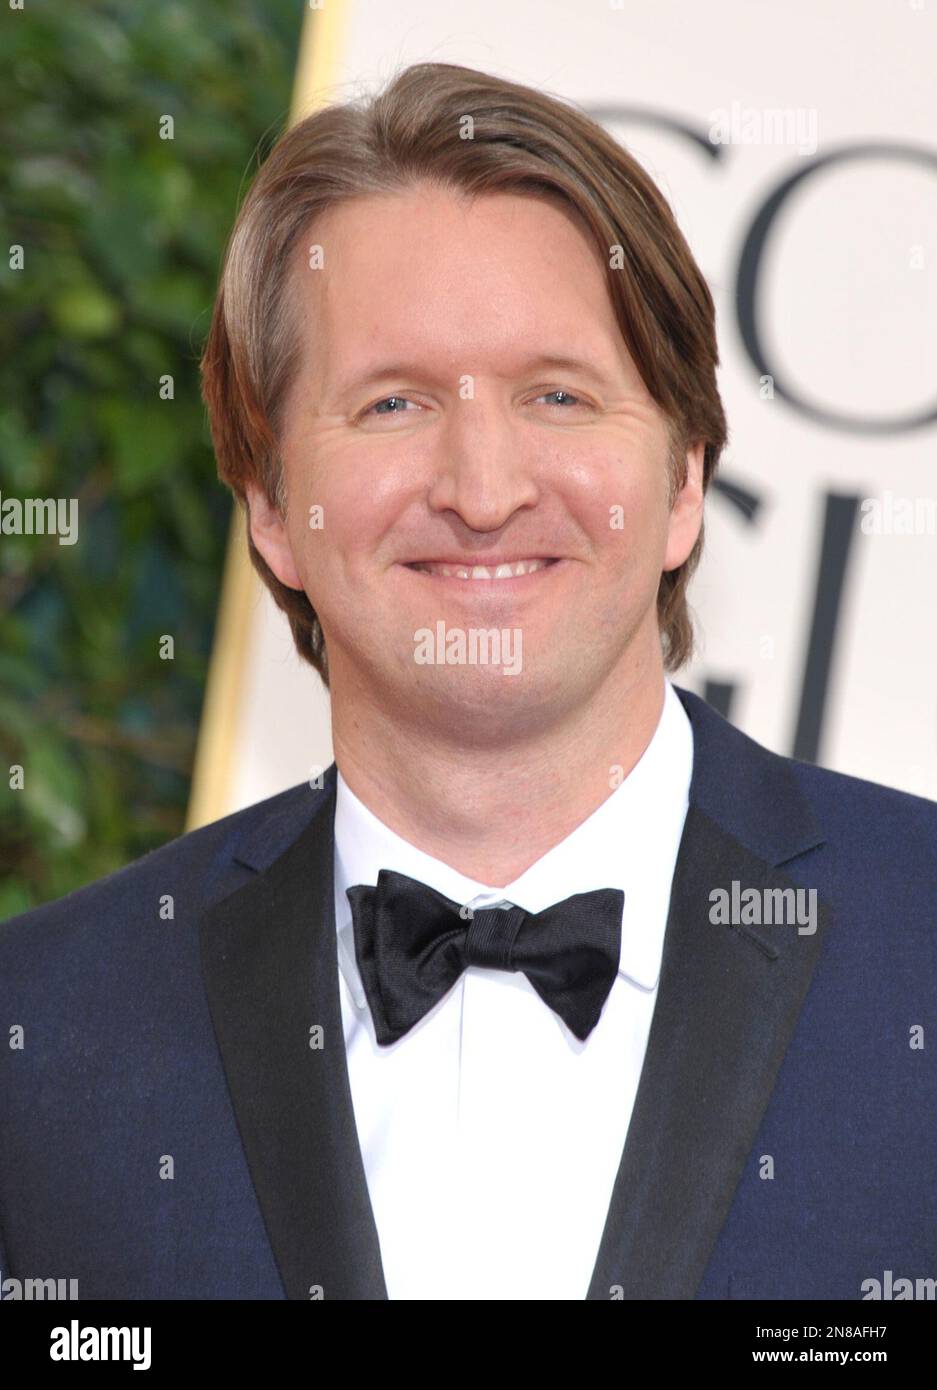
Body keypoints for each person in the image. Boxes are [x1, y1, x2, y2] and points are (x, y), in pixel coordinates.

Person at [1, 61, 934, 1302]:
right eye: (392, 403)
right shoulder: (43, 1032)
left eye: (558, 394)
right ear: (272, 507)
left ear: (685, 482)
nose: (484, 490)